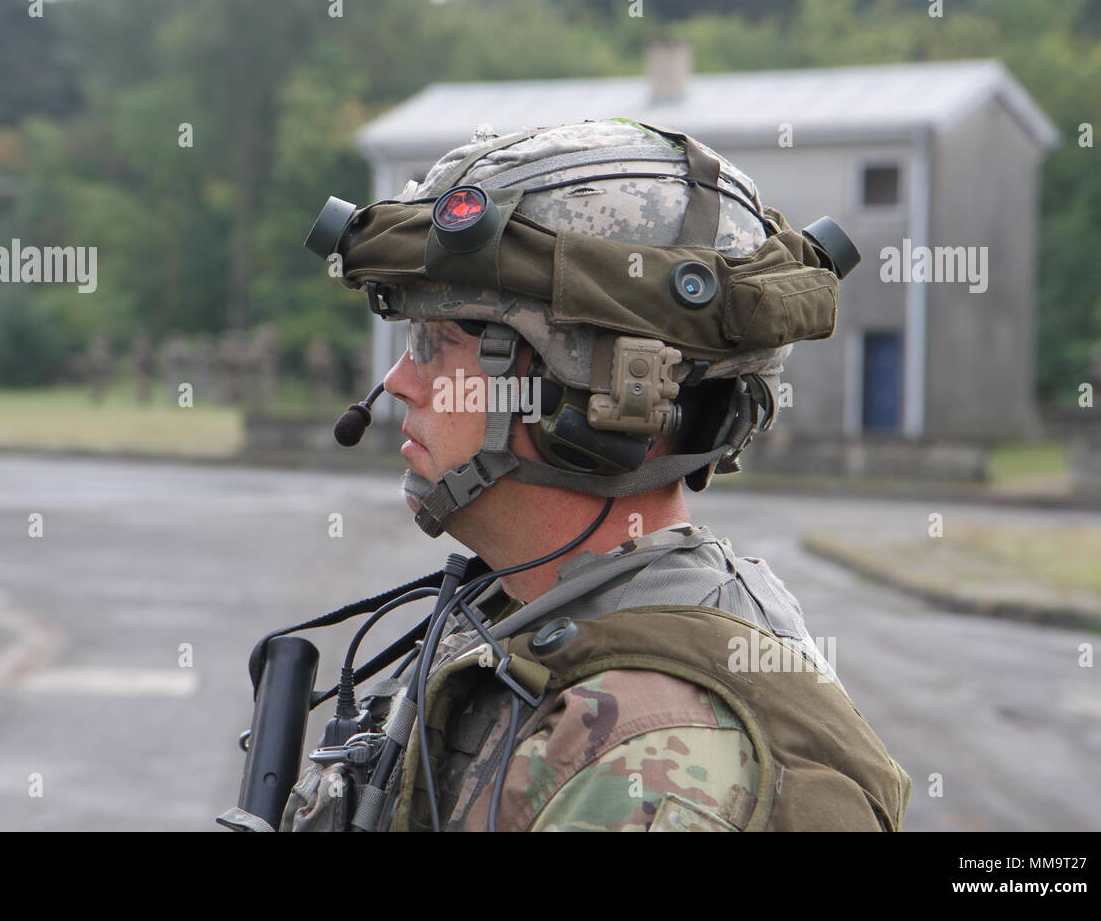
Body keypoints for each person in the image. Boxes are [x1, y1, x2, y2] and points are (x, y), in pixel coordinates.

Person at [277, 119, 911, 832]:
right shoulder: (528, 614)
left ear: (587, 396)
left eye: (436, 342)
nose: (396, 383)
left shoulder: (658, 766)